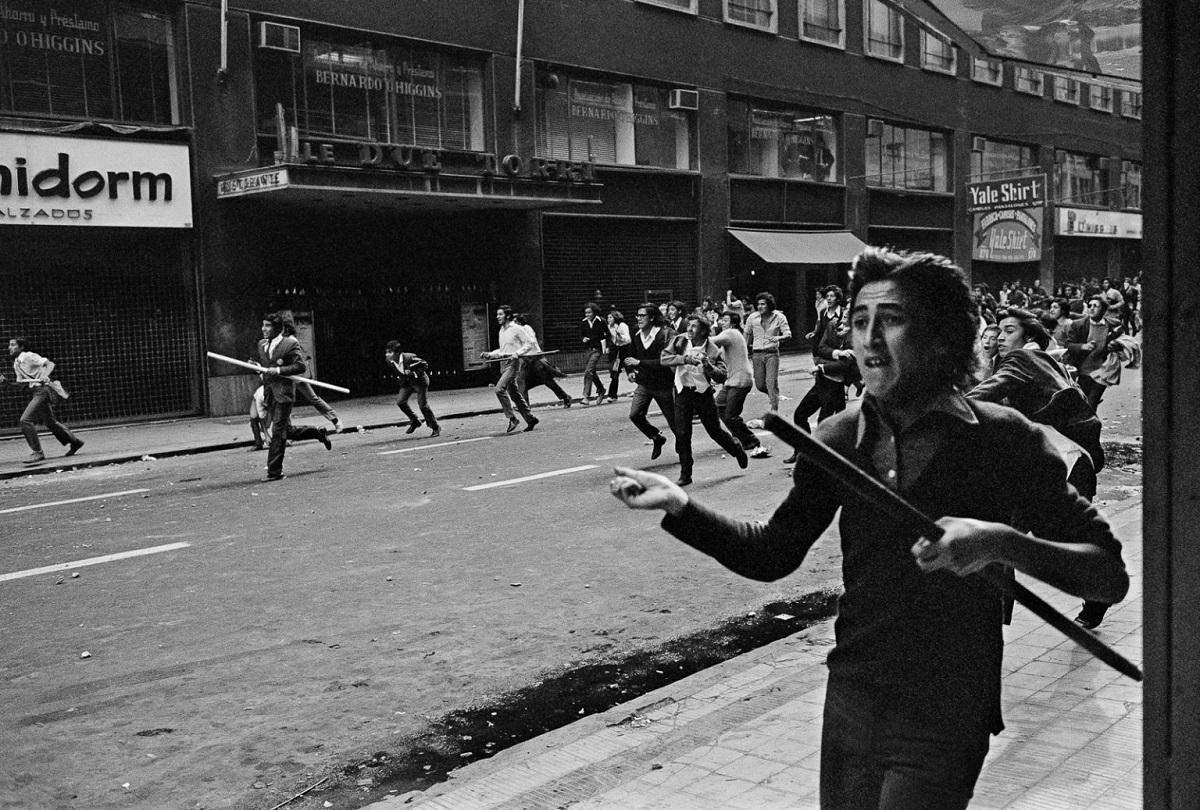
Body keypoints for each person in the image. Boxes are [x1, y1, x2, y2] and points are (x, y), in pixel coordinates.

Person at [610, 247, 1129, 809]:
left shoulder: (1004, 438)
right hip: (854, 697)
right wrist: (680, 506)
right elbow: (773, 553)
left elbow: (1108, 577)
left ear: (941, 336)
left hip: (948, 704)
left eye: (892, 320)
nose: (868, 339)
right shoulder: (836, 438)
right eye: (859, 322)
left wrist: (1000, 543)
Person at [966, 308, 1112, 631]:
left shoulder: (1020, 361)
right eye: (998, 331)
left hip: (1057, 463)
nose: (1000, 337)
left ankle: (991, 615)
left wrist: (948, 407)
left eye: (1008, 330)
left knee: (1003, 534)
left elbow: (981, 396)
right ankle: (1095, 590)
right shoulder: (1047, 360)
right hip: (1067, 462)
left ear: (1028, 336)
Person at [660, 315, 749, 486]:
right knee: (683, 434)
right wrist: (684, 359)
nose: (689, 329)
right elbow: (664, 359)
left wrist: (708, 366)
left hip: (703, 394)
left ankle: (736, 448)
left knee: (714, 432)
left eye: (694, 327)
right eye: (688, 326)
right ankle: (686, 474)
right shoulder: (680, 341)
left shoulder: (712, 349)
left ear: (703, 330)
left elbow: (723, 376)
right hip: (682, 392)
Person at [257, 314, 332, 481]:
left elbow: (300, 366)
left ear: (278, 329)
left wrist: (278, 370)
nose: (264, 329)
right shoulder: (261, 345)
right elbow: (266, 366)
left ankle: (274, 471)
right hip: (270, 394)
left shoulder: (290, 344)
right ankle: (318, 433)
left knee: (277, 431)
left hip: (284, 395)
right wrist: (260, 369)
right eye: (263, 325)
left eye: (268, 326)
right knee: (286, 430)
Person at [783, 312, 853, 463]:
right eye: (844, 315)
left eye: (848, 315)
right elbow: (821, 348)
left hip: (835, 385)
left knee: (825, 425)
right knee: (800, 414)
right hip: (822, 382)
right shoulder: (833, 326)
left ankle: (820, 462)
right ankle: (802, 451)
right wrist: (837, 353)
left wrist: (822, 366)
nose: (843, 318)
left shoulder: (855, 337)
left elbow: (846, 365)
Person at [5, 337, 84, 464]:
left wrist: (44, 375)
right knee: (50, 422)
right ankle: (75, 442)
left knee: (25, 420)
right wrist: (7, 383)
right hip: (36, 392)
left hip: (42, 391)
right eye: (9, 345)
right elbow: (22, 384)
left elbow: (50, 364)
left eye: (13, 345)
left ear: (21, 347)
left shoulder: (28, 356)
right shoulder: (17, 363)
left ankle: (38, 452)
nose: (9, 347)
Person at [711, 310, 770, 459]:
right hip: (731, 380)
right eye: (721, 320)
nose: (721, 322)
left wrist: (704, 330)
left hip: (741, 380)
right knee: (719, 406)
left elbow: (710, 342)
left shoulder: (732, 333)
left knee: (731, 415)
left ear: (733, 323)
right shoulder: (727, 338)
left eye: (725, 320)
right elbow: (713, 352)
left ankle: (751, 440)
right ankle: (739, 437)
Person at [624, 303, 678, 461]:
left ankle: (683, 449)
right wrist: (631, 371)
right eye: (637, 315)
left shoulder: (663, 335)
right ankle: (656, 437)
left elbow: (663, 362)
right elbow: (630, 357)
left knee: (673, 421)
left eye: (643, 316)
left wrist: (639, 363)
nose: (639, 319)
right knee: (635, 415)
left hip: (663, 385)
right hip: (644, 384)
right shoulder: (636, 333)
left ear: (652, 317)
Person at [481, 305, 539, 433]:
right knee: (514, 394)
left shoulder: (517, 329)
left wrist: (518, 353)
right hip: (504, 362)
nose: (497, 317)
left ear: (507, 316)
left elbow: (530, 343)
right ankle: (530, 419)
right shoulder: (502, 331)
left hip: (513, 363)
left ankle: (512, 418)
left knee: (499, 389)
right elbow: (503, 351)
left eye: (500, 314)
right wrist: (489, 354)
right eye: (497, 314)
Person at [283, 320, 344, 433]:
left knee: (309, 399)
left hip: (296, 376)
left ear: (286, 329)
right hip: (290, 376)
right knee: (288, 403)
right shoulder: (286, 340)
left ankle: (335, 419)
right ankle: (288, 431)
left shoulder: (290, 341)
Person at [1063, 295, 1123, 411]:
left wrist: (1115, 346)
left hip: (1102, 370)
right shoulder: (1078, 325)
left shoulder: (1113, 325)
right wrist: (1082, 346)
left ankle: (1090, 427)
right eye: (1090, 305)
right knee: (1083, 402)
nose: (1091, 308)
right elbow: (1069, 345)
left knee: (1092, 403)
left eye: (1096, 306)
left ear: (1104, 310)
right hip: (1083, 371)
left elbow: (1123, 343)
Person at [745, 292, 792, 411]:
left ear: (769, 305)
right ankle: (774, 395)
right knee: (760, 385)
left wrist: (778, 338)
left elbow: (788, 334)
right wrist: (744, 351)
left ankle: (774, 409)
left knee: (771, 382)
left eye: (763, 304)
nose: (760, 306)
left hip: (772, 353)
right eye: (758, 304)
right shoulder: (753, 318)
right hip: (757, 354)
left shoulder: (779, 317)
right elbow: (747, 334)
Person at [514, 314, 572, 408]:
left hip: (535, 358)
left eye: (516, 322)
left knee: (547, 381)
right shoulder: (516, 333)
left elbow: (531, 342)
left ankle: (565, 397)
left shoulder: (526, 328)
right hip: (526, 360)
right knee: (521, 381)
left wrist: (521, 351)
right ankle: (524, 406)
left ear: (520, 322)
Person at [385, 340, 440, 438]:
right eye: (386, 352)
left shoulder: (409, 357)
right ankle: (415, 421)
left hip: (419, 382)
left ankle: (435, 427)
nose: (387, 354)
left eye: (390, 352)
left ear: (397, 353)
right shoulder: (389, 361)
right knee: (400, 402)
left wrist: (413, 373)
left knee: (423, 405)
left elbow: (424, 364)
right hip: (406, 383)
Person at [580, 302, 608, 405]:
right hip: (588, 350)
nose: (587, 315)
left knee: (588, 371)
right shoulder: (583, 322)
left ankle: (586, 396)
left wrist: (607, 347)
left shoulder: (601, 321)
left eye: (589, 312)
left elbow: (607, 335)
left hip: (597, 349)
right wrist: (583, 339)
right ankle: (601, 390)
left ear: (594, 312)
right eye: (585, 313)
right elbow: (581, 335)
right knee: (592, 371)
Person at [604, 310, 631, 404]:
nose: (608, 319)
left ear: (616, 318)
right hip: (616, 351)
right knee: (614, 372)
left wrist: (620, 337)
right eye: (608, 317)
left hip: (625, 349)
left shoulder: (622, 325)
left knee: (630, 370)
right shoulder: (608, 327)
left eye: (610, 317)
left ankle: (645, 387)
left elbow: (628, 339)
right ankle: (612, 395)